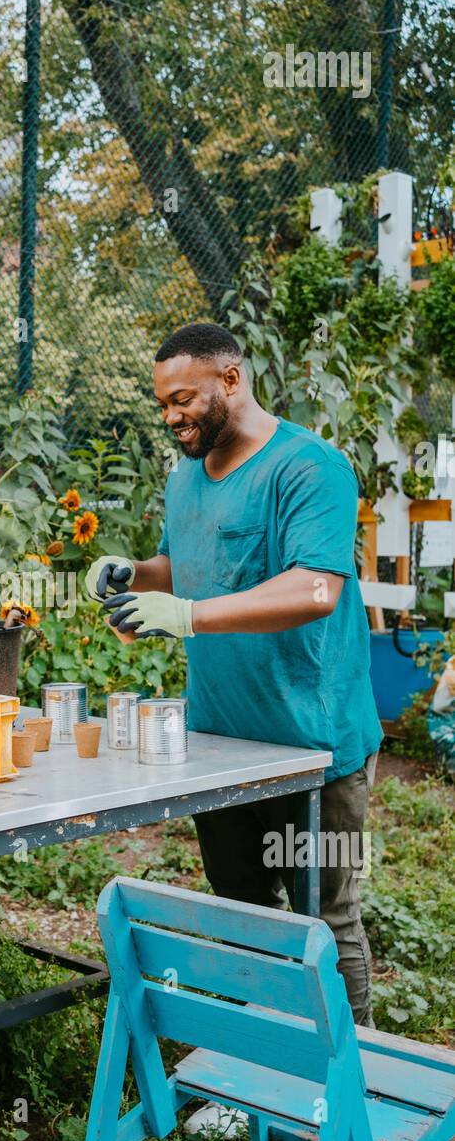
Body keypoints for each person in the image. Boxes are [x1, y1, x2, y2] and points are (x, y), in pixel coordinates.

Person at [86, 323, 382, 1044]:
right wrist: (132, 576)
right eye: (162, 404)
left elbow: (315, 589)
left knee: (325, 917)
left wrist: (185, 614)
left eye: (182, 398)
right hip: (220, 742)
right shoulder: (186, 475)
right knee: (242, 905)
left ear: (230, 379)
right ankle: (261, 1067)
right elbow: (178, 569)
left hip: (315, 747)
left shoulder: (311, 468)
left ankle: (351, 1081)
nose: (171, 416)